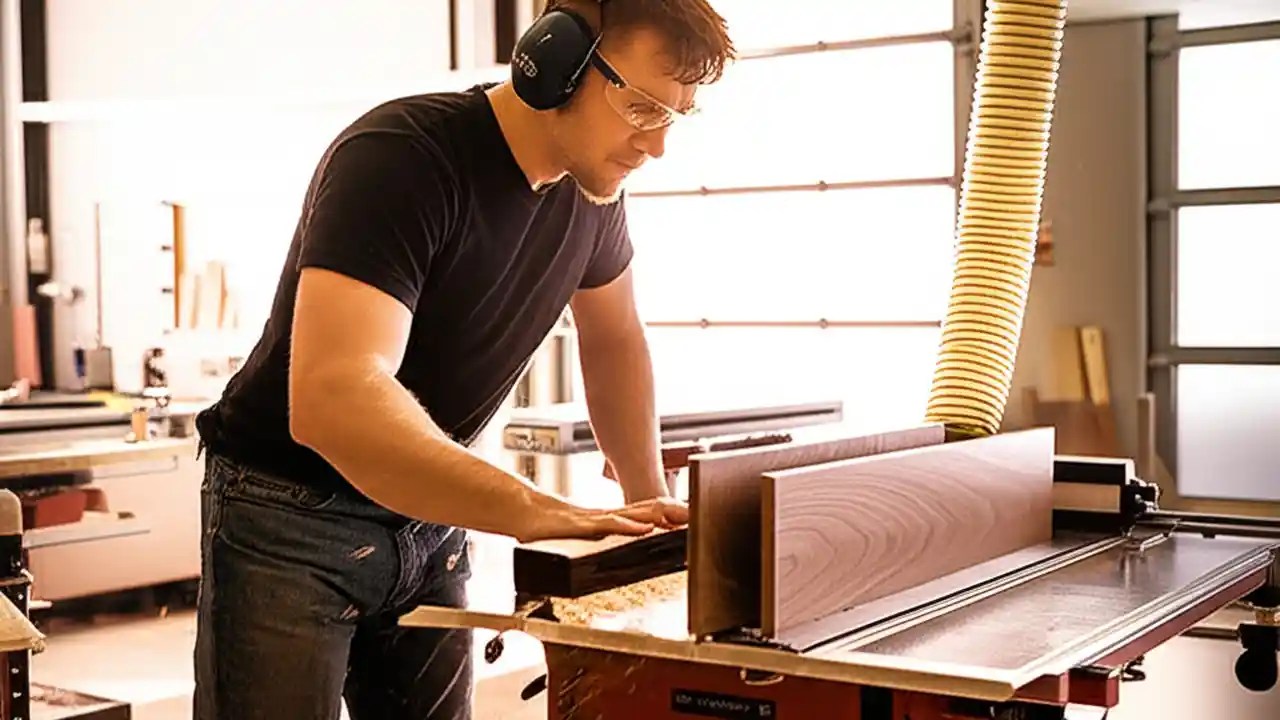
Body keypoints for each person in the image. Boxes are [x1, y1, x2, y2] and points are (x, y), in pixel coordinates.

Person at [190, 0, 736, 717]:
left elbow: (614, 340)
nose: (656, 145)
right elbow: (335, 397)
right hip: (289, 511)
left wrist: (642, 502)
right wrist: (534, 510)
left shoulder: (592, 192)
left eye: (675, 116)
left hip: (429, 517)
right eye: (640, 107)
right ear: (555, 59)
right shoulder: (402, 157)